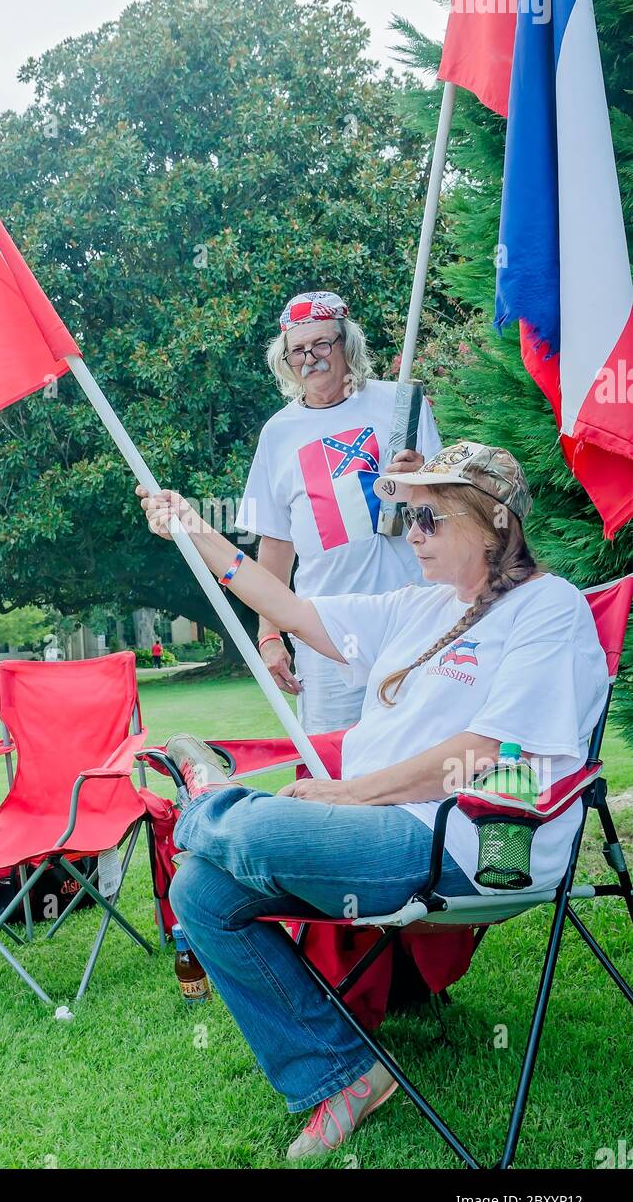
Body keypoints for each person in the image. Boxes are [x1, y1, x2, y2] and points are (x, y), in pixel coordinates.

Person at [136, 442, 608, 1162]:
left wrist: (350, 794)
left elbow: (485, 756)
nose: (409, 532)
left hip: (474, 839)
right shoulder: (417, 608)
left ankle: (206, 803)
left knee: (240, 833)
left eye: (428, 517)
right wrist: (193, 529)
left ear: (492, 525)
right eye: (407, 515)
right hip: (381, 824)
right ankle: (342, 1075)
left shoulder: (548, 607)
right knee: (201, 891)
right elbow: (288, 606)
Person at [235, 291, 441, 733]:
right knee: (333, 760)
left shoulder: (402, 406)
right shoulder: (277, 434)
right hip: (323, 630)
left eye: (322, 344)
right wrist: (270, 634)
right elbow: (275, 544)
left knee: (421, 746)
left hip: (413, 614)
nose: (311, 358)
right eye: (298, 350)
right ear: (285, 360)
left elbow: (449, 508)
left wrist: (422, 480)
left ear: (346, 344)